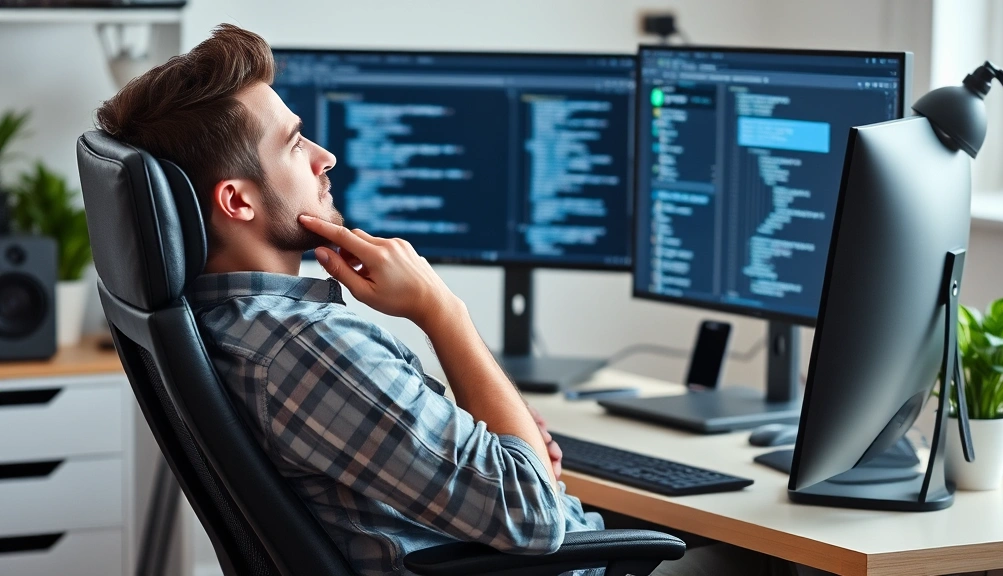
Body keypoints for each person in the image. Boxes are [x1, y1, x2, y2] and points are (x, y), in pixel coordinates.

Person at [94, 23, 817, 576]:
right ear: (236, 201)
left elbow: (492, 481)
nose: (326, 157)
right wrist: (443, 310)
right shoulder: (302, 345)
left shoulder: (239, 327)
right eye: (293, 144)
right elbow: (534, 517)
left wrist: (509, 446)